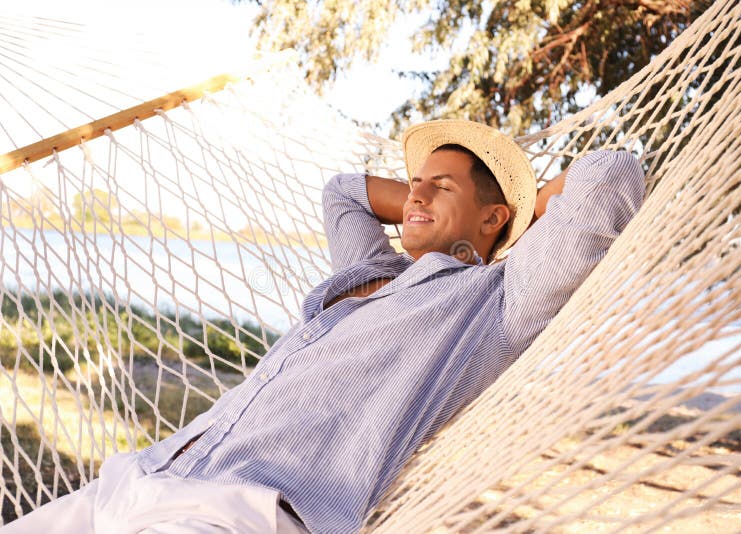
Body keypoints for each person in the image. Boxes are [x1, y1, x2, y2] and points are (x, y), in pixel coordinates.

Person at [1, 120, 645, 534]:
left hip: (236, 512)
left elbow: (611, 178)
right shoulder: (370, 271)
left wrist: (510, 220)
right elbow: (343, 191)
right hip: (143, 475)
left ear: (493, 216)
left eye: (439, 186)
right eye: (413, 184)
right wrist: (434, 206)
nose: (415, 195)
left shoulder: (494, 304)